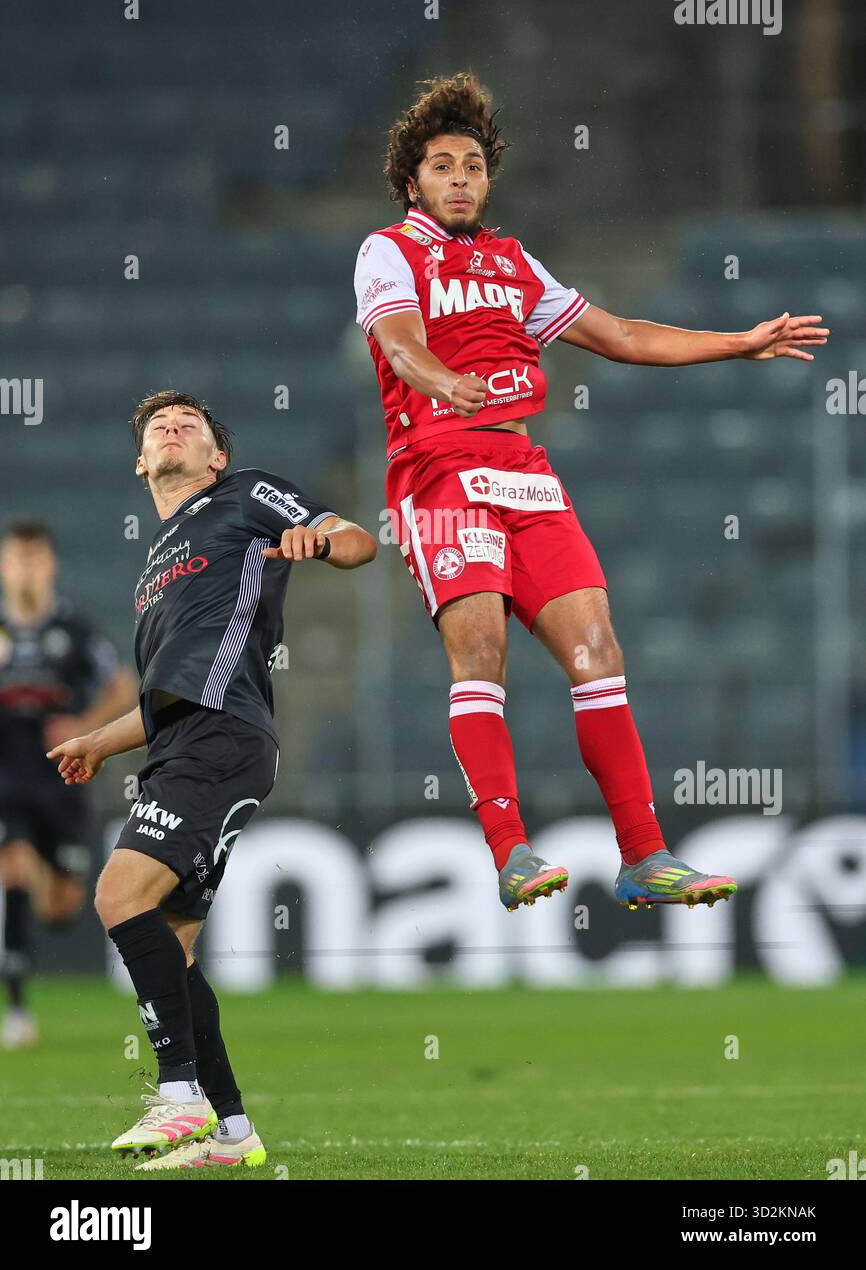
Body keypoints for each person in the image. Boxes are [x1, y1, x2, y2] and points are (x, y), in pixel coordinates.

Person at [353, 71, 828, 914]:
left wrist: (737, 342)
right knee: (481, 657)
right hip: (438, 470)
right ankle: (509, 850)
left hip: (523, 471)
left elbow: (621, 334)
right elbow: (397, 343)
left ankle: (644, 855)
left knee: (599, 653)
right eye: (442, 166)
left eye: (472, 165)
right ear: (412, 180)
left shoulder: (511, 260)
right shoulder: (388, 250)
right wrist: (444, 381)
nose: (460, 178)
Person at [47, 391, 376, 1170]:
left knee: (118, 896)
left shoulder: (241, 494)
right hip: (188, 738)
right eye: (158, 425)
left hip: (222, 739)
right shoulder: (155, 569)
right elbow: (167, 695)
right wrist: (101, 738)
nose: (172, 427)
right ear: (141, 461)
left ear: (215, 456)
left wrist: (319, 543)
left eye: (189, 423)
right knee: (173, 944)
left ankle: (181, 1097)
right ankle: (232, 1134)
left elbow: (359, 540)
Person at [0, 520, 136, 1048]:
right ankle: (16, 1011)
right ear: (4, 567)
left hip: (60, 773)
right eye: (16, 560)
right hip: (8, 770)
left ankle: (36, 870)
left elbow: (122, 685)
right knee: (11, 866)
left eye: (34, 560)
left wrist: (84, 726)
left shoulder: (74, 629)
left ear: (49, 565)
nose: (26, 570)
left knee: (61, 907)